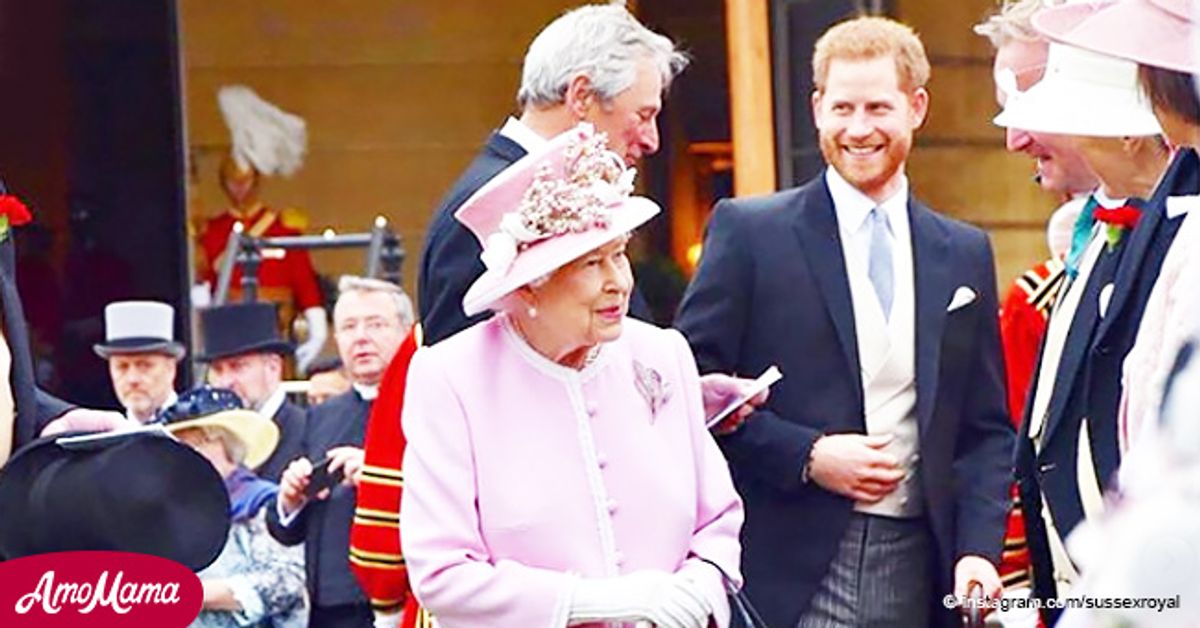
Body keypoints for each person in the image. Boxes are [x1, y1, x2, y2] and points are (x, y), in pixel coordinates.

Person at [676, 16, 1014, 627]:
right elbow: (688, 393)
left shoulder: (963, 251)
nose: (859, 129)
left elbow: (985, 426)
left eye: (878, 108)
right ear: (816, 109)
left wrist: (977, 551)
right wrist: (806, 454)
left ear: (916, 107)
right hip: (788, 565)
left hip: (924, 563)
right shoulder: (750, 233)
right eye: (842, 108)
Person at [400, 124, 743, 628]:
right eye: (591, 263)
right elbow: (442, 573)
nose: (618, 282)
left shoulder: (662, 353)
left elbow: (718, 519)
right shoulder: (451, 376)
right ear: (529, 286)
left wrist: (699, 586)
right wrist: (604, 600)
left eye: (619, 254)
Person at [417, 3, 685, 345]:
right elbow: (462, 366)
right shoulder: (486, 210)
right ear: (582, 96)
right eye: (643, 115)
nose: (652, 141)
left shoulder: (559, 188)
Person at [268, 276, 415, 628]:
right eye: (349, 327)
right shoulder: (320, 416)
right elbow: (286, 529)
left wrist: (379, 479)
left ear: (406, 332)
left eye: (375, 324)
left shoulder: (429, 403)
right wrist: (290, 499)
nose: (361, 337)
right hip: (328, 607)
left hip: (404, 598)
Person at [197, 85, 327, 373]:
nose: (239, 189)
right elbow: (207, 282)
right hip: (230, 325)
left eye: (245, 181)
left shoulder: (282, 228)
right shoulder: (213, 232)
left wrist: (317, 326)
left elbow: (303, 280)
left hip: (276, 325)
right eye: (232, 182)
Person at [161, 386, 308, 627]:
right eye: (178, 448)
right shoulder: (168, 513)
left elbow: (285, 581)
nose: (185, 457)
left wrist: (197, 593)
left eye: (197, 444)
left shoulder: (262, 503)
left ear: (226, 444)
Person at [200, 301, 308, 482]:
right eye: (217, 370)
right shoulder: (208, 441)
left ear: (273, 367)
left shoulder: (308, 433)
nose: (226, 382)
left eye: (237, 367)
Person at [93, 300, 184, 424]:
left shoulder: (203, 429)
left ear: (170, 368)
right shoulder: (104, 434)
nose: (133, 379)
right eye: (122, 367)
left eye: (145, 366)